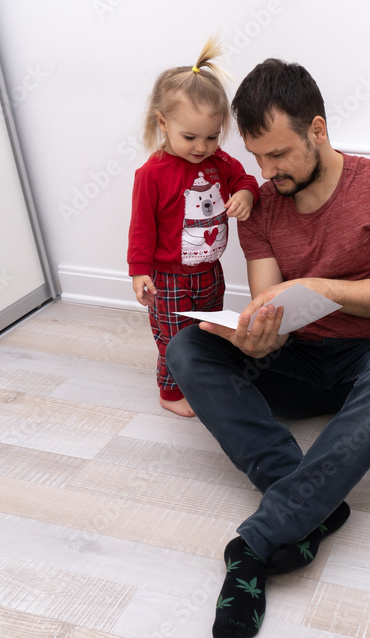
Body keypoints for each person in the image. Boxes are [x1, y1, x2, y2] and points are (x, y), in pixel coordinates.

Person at [165, 58, 370, 638]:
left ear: (318, 130)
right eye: (257, 157)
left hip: (369, 361)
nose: (267, 172)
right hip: (298, 360)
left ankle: (254, 545)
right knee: (187, 350)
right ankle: (314, 503)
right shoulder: (261, 205)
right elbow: (270, 305)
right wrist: (258, 334)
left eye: (279, 154)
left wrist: (319, 288)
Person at [128, 37, 258, 418]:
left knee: (207, 330)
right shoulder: (152, 174)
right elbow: (141, 228)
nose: (202, 147)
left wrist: (246, 195)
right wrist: (139, 271)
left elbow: (245, 179)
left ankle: (204, 380)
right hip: (169, 279)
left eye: (212, 136)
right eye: (190, 137)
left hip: (210, 273)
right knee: (175, 336)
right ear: (163, 123)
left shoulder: (219, 162)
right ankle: (170, 392)